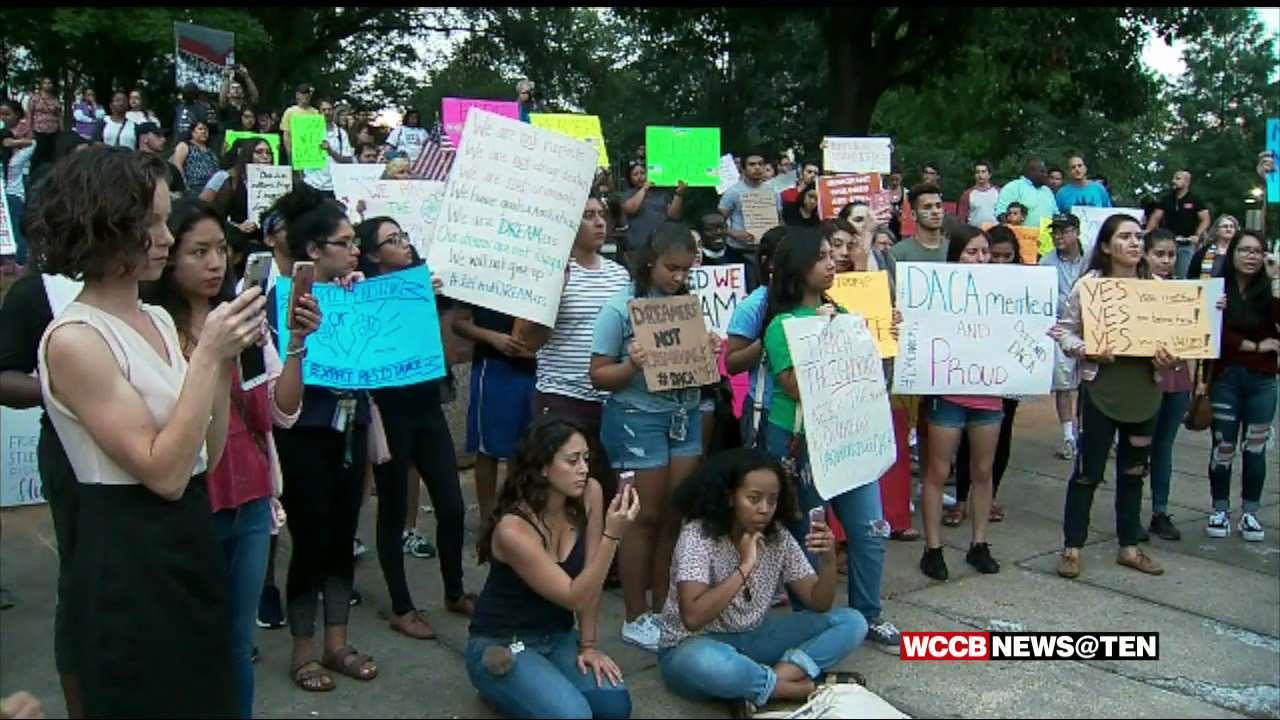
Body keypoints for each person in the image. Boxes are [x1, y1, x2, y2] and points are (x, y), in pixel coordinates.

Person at [32, 146, 266, 717]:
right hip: (127, 555)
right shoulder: (76, 339)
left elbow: (201, 457)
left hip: (189, 539)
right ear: (108, 225)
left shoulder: (158, 317)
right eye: (153, 222)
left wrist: (226, 356)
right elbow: (160, 471)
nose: (165, 236)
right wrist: (209, 354)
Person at [141, 199, 318, 718]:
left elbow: (279, 413)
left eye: (221, 249)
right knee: (184, 641)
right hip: (190, 501)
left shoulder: (244, 320)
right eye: (198, 251)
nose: (215, 263)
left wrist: (297, 344)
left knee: (236, 643)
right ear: (170, 257)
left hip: (252, 498)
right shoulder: (152, 329)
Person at [657, 449, 867, 718]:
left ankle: (761, 687)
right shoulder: (698, 535)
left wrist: (827, 562)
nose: (764, 509)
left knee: (852, 622)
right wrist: (745, 566)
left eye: (773, 500)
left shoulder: (777, 536)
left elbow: (818, 601)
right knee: (708, 664)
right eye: (753, 499)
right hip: (692, 645)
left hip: (753, 637)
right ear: (730, 497)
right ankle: (804, 688)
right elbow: (693, 617)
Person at [266, 187, 377, 691]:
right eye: (344, 242)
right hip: (304, 434)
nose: (355, 250)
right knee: (309, 540)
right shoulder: (284, 298)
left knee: (341, 538)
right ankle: (304, 651)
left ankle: (338, 643)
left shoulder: (358, 292)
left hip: (350, 430)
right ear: (314, 251)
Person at [590, 221, 717, 651]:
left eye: (685, 270)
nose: (679, 278)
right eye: (671, 269)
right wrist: (631, 365)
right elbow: (598, 375)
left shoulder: (687, 306)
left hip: (684, 415)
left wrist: (709, 348)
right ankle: (633, 614)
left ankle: (663, 606)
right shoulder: (619, 309)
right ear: (650, 261)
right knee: (642, 518)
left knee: (673, 516)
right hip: (637, 418)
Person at [466, 417, 637, 719]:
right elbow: (575, 597)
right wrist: (613, 535)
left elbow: (591, 579)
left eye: (586, 459)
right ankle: (499, 686)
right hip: (504, 642)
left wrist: (588, 645)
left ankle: (526, 694)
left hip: (557, 636)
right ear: (544, 467)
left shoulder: (590, 494)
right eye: (572, 461)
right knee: (574, 716)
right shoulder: (513, 529)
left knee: (614, 706)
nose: (584, 469)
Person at [356, 218, 474, 634]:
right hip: (389, 414)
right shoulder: (359, 293)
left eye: (404, 236)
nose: (403, 244)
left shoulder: (421, 284)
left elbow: (455, 315)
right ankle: (402, 607)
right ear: (372, 254)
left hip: (427, 407)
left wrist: (439, 293)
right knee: (390, 510)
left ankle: (455, 591)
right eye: (392, 240)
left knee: (452, 506)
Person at [1051, 213, 1176, 579]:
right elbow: (1063, 331)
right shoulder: (1089, 287)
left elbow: (1178, 340)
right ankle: (1072, 548)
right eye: (1125, 237)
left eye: (1139, 237)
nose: (1135, 243)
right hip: (1102, 389)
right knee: (1088, 472)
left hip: (1144, 391)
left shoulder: (1158, 288)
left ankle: (1129, 547)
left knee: (1135, 470)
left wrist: (1170, 357)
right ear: (1106, 246)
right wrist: (1088, 350)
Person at [524, 195, 631, 511]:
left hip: (610, 401)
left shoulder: (619, 275)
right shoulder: (550, 274)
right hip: (562, 399)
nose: (599, 222)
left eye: (601, 214)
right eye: (588, 215)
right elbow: (529, 340)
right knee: (560, 497)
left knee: (603, 492)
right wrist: (553, 292)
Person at [917, 225, 1003, 581]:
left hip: (989, 396)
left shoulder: (1005, 294)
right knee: (937, 472)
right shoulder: (937, 293)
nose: (980, 259)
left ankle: (979, 544)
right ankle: (933, 548)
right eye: (972, 252)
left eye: (985, 252)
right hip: (947, 395)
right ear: (956, 257)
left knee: (983, 473)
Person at [1204, 228, 1279, 542]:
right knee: (1223, 447)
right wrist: (1258, 346)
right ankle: (1220, 509)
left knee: (1255, 449)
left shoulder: (1270, 290)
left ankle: (1250, 512)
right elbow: (1215, 335)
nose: (1251, 256)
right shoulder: (1218, 290)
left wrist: (1276, 282)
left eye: (1257, 251)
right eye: (1244, 250)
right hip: (1226, 379)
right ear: (1232, 253)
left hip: (1263, 382)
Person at [949, 225, 1023, 527]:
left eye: (1008, 257)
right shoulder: (954, 282)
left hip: (1005, 375)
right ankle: (962, 499)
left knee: (1001, 437)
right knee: (965, 440)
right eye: (995, 256)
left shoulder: (1023, 285)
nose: (1000, 263)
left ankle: (989, 497)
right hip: (962, 375)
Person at [452, 292, 537, 533]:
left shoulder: (542, 267)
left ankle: (517, 513)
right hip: (494, 364)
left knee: (524, 447)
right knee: (487, 447)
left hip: (538, 363)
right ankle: (487, 519)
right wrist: (492, 338)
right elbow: (459, 323)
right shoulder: (484, 266)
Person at [1143, 229, 1190, 542]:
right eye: (1159, 254)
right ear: (1146, 255)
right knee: (1136, 449)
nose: (1165, 261)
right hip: (1145, 380)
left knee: (1163, 447)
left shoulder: (1187, 292)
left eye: (1171, 255)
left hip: (1178, 378)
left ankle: (1160, 511)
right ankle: (1129, 514)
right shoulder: (1136, 290)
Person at [726, 226, 789, 453]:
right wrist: (767, 339)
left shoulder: (811, 299)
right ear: (769, 262)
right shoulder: (753, 306)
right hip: (766, 411)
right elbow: (732, 363)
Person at [1040, 213, 1089, 461]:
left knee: (1093, 382)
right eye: (1055, 232)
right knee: (1064, 384)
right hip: (1061, 328)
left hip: (1092, 326)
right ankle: (1069, 437)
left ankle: (1093, 434)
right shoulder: (1046, 261)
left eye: (1064, 231)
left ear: (1077, 232)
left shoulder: (1092, 258)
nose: (1058, 236)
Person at [200, 138, 277, 249]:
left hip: (267, 242)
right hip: (236, 242)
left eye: (268, 153)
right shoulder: (228, 179)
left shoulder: (277, 182)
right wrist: (237, 226)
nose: (265, 156)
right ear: (248, 154)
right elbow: (205, 211)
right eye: (259, 152)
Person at [1146, 170, 1211, 279]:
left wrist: (1197, 235)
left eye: (1177, 179)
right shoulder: (1167, 199)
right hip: (1167, 241)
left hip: (1186, 243)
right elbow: (1156, 217)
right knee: (1158, 273)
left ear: (1187, 182)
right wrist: (1148, 233)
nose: (1173, 181)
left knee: (1183, 275)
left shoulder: (1195, 199)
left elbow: (1205, 219)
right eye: (1174, 178)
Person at [719, 153, 783, 252]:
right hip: (738, 250)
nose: (757, 167)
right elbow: (718, 222)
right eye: (752, 164)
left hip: (766, 249)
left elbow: (780, 220)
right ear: (743, 169)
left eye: (760, 164)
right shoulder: (732, 192)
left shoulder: (773, 192)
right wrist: (734, 233)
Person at [621, 160, 686, 257]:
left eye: (643, 173)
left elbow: (673, 215)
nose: (640, 176)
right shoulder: (628, 194)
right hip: (638, 247)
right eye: (635, 174)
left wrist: (679, 194)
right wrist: (644, 188)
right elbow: (631, 209)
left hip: (661, 244)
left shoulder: (662, 193)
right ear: (630, 178)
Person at [889, 183, 947, 262]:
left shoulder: (955, 250)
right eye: (927, 207)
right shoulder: (898, 253)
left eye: (938, 206)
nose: (935, 211)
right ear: (914, 215)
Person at [994, 158, 1057, 228]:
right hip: (1021, 236)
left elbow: (1055, 214)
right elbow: (1000, 214)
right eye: (1042, 172)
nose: (1045, 175)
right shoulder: (1013, 187)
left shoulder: (1047, 191)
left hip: (1045, 237)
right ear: (1031, 171)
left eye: (1046, 172)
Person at [171, 120, 221, 199]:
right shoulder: (185, 145)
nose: (204, 132)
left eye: (206, 130)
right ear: (192, 132)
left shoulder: (210, 150)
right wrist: (184, 187)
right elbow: (177, 166)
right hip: (194, 187)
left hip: (213, 186)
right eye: (200, 129)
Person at [1187, 214, 1240, 279]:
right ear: (1216, 230)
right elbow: (1192, 275)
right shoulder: (1203, 252)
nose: (1229, 229)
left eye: (1232, 227)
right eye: (1225, 226)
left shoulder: (1239, 251)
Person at [26, 76, 62, 172]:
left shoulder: (55, 99)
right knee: (39, 151)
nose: (47, 85)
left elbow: (59, 115)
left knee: (51, 153)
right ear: (41, 85)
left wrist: (61, 129)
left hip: (53, 130)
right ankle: (34, 172)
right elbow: (29, 114)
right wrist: (29, 130)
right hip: (39, 129)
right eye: (45, 83)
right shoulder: (35, 98)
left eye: (49, 83)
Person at [280, 84, 321, 164]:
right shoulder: (290, 112)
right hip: (296, 154)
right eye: (303, 93)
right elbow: (286, 135)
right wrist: (289, 153)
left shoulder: (316, 113)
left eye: (308, 93)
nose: (306, 96)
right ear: (297, 95)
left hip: (313, 156)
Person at [217, 65, 260, 139]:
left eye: (239, 87)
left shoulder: (247, 106)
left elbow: (255, 97)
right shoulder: (225, 107)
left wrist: (246, 76)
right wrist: (227, 78)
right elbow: (222, 99)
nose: (236, 89)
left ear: (243, 93)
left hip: (247, 138)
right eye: (233, 88)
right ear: (228, 94)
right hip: (229, 140)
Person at [957, 161, 1000, 227]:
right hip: (974, 233)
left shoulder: (998, 192)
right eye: (977, 172)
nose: (980, 175)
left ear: (989, 175)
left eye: (983, 172)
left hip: (996, 233)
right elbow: (961, 218)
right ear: (974, 175)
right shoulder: (967, 194)